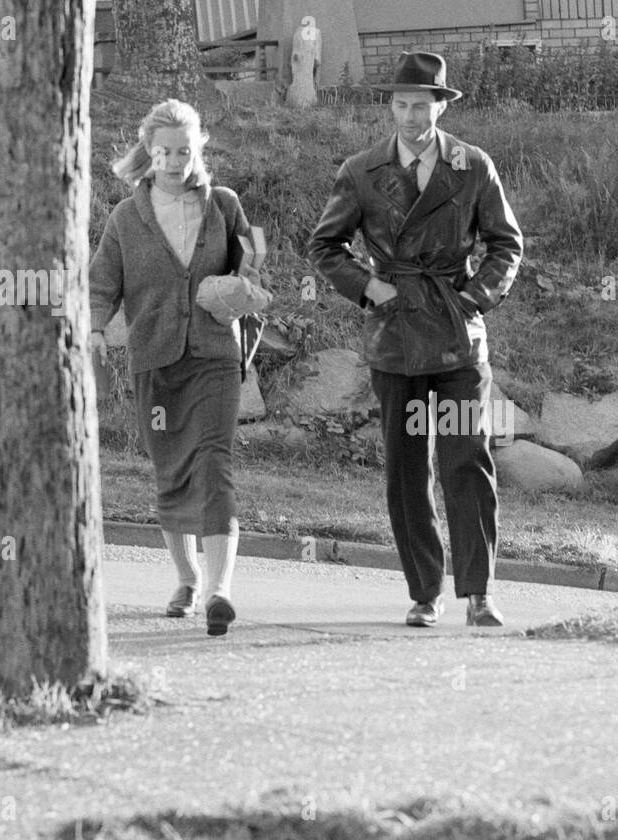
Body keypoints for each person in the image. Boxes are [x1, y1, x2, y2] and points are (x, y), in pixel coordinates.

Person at [307, 52, 524, 628]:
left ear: (440, 106)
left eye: (421, 106)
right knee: (407, 468)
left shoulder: (473, 166)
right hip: (396, 340)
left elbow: (507, 244)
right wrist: (372, 290)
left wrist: (474, 298)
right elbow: (324, 246)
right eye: (401, 105)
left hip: (457, 342)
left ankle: (479, 592)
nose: (410, 116)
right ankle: (425, 592)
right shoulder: (361, 170)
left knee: (466, 462)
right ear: (390, 106)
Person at [90, 98, 258, 637]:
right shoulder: (125, 217)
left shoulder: (223, 205)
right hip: (156, 360)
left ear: (197, 150)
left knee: (213, 464)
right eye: (163, 151)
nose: (172, 161)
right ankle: (186, 578)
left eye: (184, 151)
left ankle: (218, 590)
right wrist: (94, 328)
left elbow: (252, 268)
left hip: (213, 356)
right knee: (171, 473)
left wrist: (242, 286)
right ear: (148, 151)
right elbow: (100, 285)